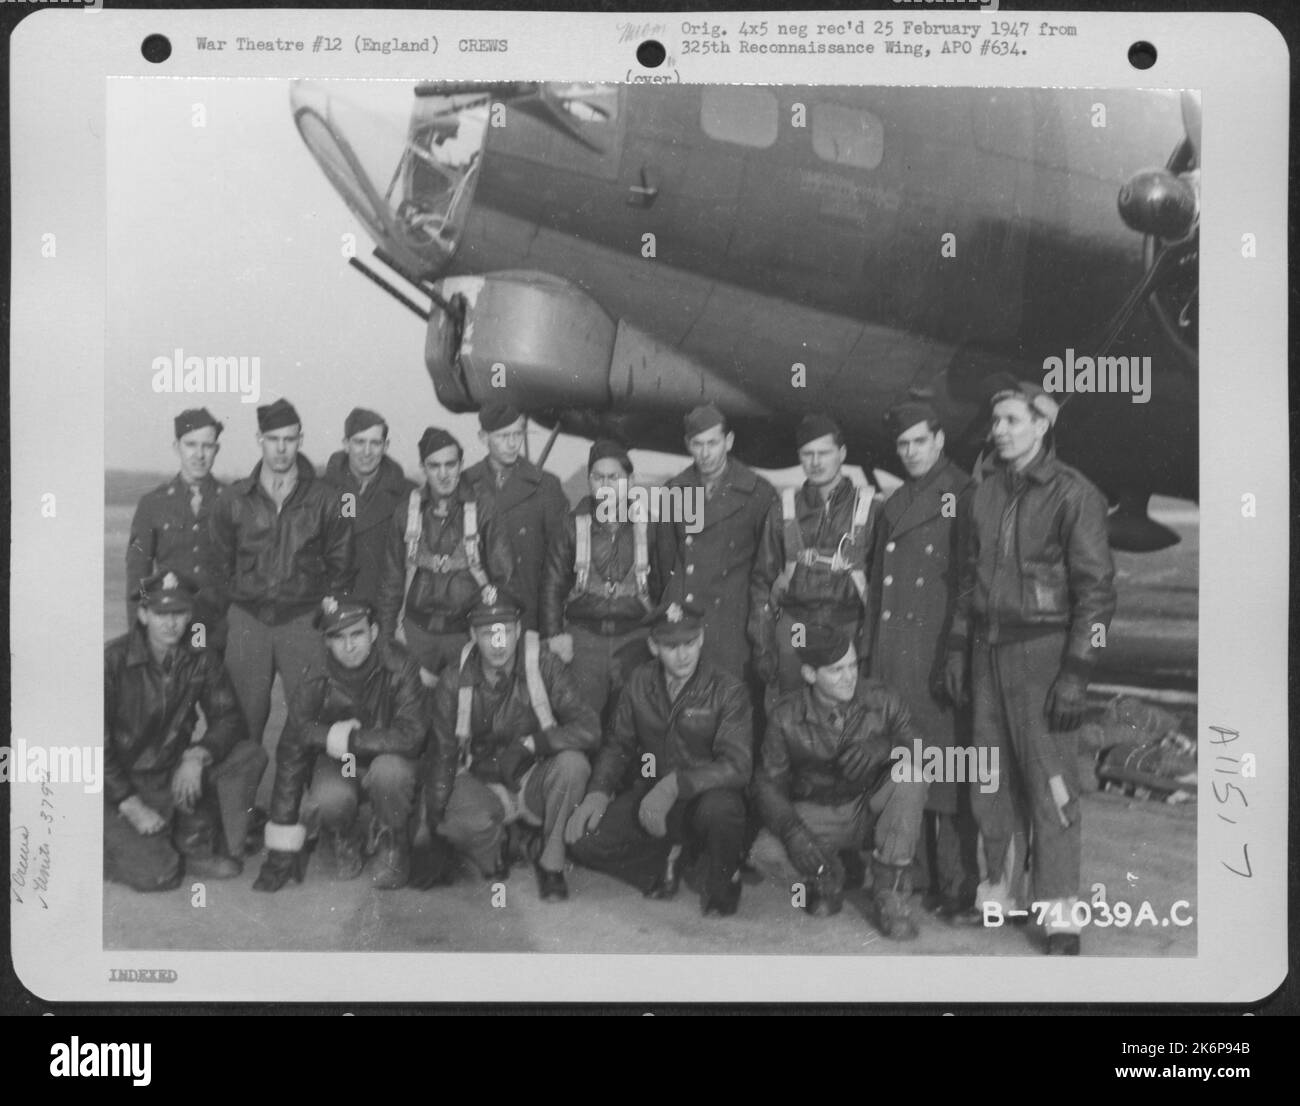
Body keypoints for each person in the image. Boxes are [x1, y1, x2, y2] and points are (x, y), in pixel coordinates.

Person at [945, 376, 1116, 954]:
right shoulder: (984, 493)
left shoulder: (1074, 495)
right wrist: (957, 647)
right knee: (991, 782)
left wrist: (1077, 673)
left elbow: (1097, 595)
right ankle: (999, 894)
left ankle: (1060, 912)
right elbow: (968, 581)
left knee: (1052, 785)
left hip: (1043, 656)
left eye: (1013, 421)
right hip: (987, 652)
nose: (1000, 431)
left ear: (1042, 425)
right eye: (996, 422)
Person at [209, 398, 354, 839]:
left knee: (312, 716)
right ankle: (236, 822)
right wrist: (235, 613)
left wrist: (322, 617)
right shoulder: (234, 499)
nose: (281, 448)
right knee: (243, 720)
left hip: (303, 620)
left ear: (300, 440)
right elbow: (220, 565)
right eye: (273, 439)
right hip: (248, 620)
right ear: (259, 440)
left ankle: (312, 819)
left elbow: (341, 565)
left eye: (290, 439)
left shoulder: (326, 498)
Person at [864, 395, 978, 918]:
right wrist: (871, 659)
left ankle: (956, 887)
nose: (910, 451)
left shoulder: (963, 495)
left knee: (947, 773)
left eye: (919, 442)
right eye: (903, 444)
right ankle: (914, 876)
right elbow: (877, 593)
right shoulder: (896, 502)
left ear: (939, 441)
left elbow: (969, 584)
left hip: (935, 656)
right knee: (906, 765)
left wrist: (957, 652)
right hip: (896, 657)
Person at [566, 601, 753, 917]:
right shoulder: (639, 682)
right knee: (583, 841)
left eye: (690, 643)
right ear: (653, 646)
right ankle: (667, 862)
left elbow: (738, 765)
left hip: (703, 796)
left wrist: (676, 784)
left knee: (722, 810)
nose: (683, 655)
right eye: (671, 646)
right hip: (651, 795)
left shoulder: (727, 689)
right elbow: (618, 745)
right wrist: (597, 791)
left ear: (701, 639)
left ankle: (723, 880)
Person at [750, 625, 928, 939]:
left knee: (911, 775)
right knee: (765, 852)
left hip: (869, 809)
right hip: (819, 812)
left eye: (852, 666)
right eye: (836, 670)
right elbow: (767, 783)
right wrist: (793, 833)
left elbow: (925, 753)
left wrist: (885, 746)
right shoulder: (786, 715)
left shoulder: (882, 698)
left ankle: (890, 893)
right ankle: (826, 875)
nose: (849, 677)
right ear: (810, 674)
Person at [424, 585, 600, 900]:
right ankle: (502, 847)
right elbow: (443, 752)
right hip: (482, 781)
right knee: (457, 822)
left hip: (532, 777)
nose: (498, 643)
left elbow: (589, 728)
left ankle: (551, 862)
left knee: (574, 765)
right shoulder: (454, 677)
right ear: (472, 635)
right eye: (488, 633)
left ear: (518, 630)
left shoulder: (544, 663)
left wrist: (532, 744)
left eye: (504, 631)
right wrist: (436, 819)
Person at [254, 597, 428, 892]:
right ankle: (343, 834)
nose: (349, 646)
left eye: (357, 634)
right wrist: (281, 849)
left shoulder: (400, 664)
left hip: (387, 758)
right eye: (338, 637)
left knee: (390, 773)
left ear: (374, 632)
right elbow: (292, 749)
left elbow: (412, 735)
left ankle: (391, 839)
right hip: (344, 764)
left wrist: (347, 738)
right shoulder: (315, 674)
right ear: (327, 641)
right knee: (329, 797)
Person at [104, 572, 265, 891]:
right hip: (122, 781)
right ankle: (108, 840)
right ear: (143, 615)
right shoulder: (114, 660)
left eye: (178, 613)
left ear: (189, 615)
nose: (171, 623)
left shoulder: (200, 657)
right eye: (161, 613)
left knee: (249, 754)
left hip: (172, 769)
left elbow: (229, 718)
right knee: (159, 875)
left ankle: (188, 843)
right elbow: (95, 744)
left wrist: (197, 755)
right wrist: (130, 804)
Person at [652, 404, 777, 686]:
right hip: (686, 629)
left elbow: (766, 572)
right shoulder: (676, 489)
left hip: (731, 629)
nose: (705, 453)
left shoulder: (758, 492)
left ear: (728, 441)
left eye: (713, 443)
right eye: (698, 444)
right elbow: (665, 563)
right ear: (688, 445)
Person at [752, 413, 874, 702]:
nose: (816, 462)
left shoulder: (871, 510)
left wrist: (871, 644)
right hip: (796, 629)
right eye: (808, 454)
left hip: (848, 627)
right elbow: (761, 582)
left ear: (842, 453)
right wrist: (763, 644)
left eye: (824, 453)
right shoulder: (782, 510)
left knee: (849, 714)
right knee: (790, 711)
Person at [376, 427, 513, 681]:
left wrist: (494, 639)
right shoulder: (406, 513)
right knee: (409, 701)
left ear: (461, 465)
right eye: (434, 465)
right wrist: (386, 641)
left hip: (466, 635)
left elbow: (503, 579)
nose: (443, 474)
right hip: (416, 634)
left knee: (467, 702)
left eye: (450, 464)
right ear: (423, 467)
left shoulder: (484, 509)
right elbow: (392, 582)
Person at [540, 438, 654, 721]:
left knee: (629, 723)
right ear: (589, 481)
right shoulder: (571, 525)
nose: (605, 485)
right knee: (581, 722)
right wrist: (555, 637)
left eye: (613, 477)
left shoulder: (650, 526)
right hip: (584, 641)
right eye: (597, 477)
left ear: (630, 481)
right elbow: (553, 584)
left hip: (634, 640)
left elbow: (665, 584)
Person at [126, 408, 230, 651]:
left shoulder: (233, 502)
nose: (199, 454)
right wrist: (138, 637)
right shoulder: (153, 504)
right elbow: (137, 575)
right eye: (191, 445)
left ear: (216, 449)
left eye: (207, 446)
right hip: (170, 629)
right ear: (177, 447)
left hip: (221, 631)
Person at [462, 402, 568, 633]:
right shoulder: (466, 484)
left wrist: (553, 627)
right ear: (483, 438)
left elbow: (560, 564)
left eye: (518, 434)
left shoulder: (546, 486)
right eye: (503, 436)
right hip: (480, 611)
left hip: (530, 612)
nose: (512, 444)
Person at [321, 408, 414, 605]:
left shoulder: (409, 495)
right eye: (359, 442)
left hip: (388, 607)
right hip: (336, 608)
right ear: (346, 444)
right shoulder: (320, 492)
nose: (367, 451)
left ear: (385, 446)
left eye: (375, 443)